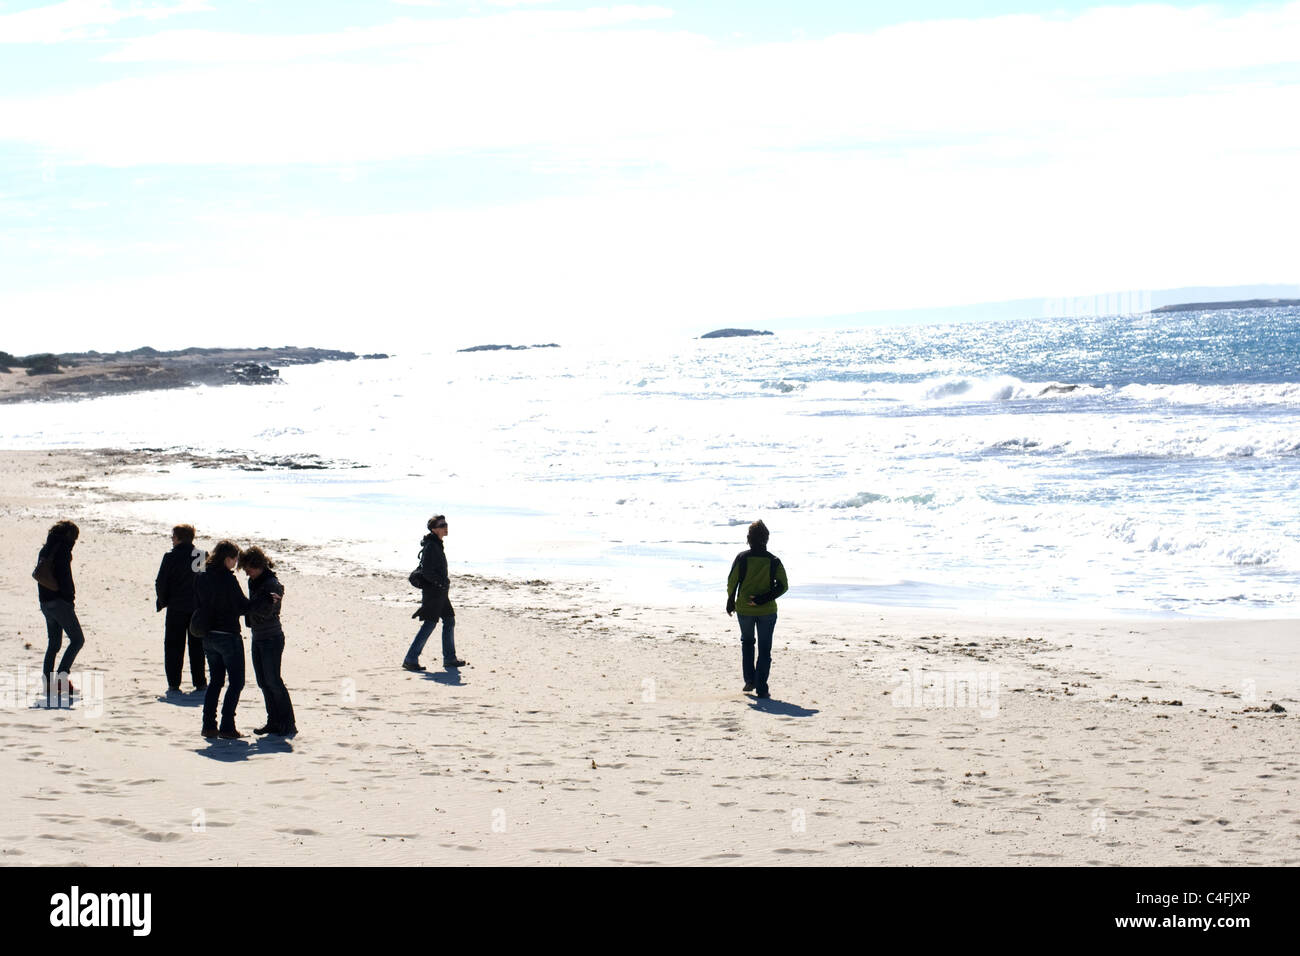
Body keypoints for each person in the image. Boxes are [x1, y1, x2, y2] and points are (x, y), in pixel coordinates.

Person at [725, 520, 788, 699]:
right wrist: (762, 599)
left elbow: (732, 581)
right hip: (767, 611)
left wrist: (730, 601)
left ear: (748, 539)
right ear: (766, 539)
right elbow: (783, 586)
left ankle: (749, 680)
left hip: (744, 608)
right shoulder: (774, 561)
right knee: (765, 649)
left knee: (747, 642)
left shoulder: (742, 558)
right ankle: (761, 688)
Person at [195, 540, 251, 739]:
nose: (236, 563)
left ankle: (209, 725)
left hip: (208, 635)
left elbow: (198, 599)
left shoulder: (203, 574)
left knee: (215, 681)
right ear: (228, 558)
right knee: (236, 682)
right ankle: (228, 726)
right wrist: (262, 603)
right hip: (228, 635)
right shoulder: (227, 579)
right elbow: (242, 606)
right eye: (235, 559)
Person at [238, 546, 296, 736]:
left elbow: (266, 612)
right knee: (263, 682)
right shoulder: (253, 582)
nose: (246, 572)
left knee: (273, 681)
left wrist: (249, 607)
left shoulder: (272, 584)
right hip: (258, 636)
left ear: (257, 565)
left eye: (248, 568)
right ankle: (273, 721)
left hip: (271, 637)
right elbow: (255, 608)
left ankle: (287, 723)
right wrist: (251, 607)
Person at [403, 514, 466, 671]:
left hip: (439, 592)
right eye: (442, 525)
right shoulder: (432, 546)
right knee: (430, 624)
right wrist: (441, 583)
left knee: (449, 620)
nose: (446, 527)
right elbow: (427, 572)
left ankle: (450, 658)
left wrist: (442, 585)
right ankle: (410, 659)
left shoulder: (436, 543)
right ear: (434, 529)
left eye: (446, 524)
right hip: (434, 592)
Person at [155, 524, 208, 694]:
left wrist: (163, 601)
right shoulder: (199, 555)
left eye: (173, 537)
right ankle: (199, 682)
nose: (172, 540)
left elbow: (161, 582)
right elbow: (202, 582)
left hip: (176, 608)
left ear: (178, 538)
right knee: (197, 647)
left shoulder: (170, 556)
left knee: (173, 646)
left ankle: (174, 683)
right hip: (195, 608)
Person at [35, 520, 84, 701]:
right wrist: (69, 598)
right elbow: (64, 578)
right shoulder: (63, 550)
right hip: (60, 603)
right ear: (70, 536)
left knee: (54, 644)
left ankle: (48, 684)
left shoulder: (46, 548)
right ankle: (62, 679)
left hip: (45, 603)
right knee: (77, 640)